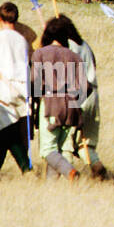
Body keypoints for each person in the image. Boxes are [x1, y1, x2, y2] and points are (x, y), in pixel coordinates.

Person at [30, 16, 85, 180]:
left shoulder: (40, 53)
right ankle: (51, 189)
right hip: (73, 106)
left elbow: (34, 82)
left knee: (47, 150)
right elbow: (85, 87)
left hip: (51, 104)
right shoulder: (75, 56)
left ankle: (70, 172)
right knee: (58, 150)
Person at [51, 16, 105, 178]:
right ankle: (97, 165)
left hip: (75, 95)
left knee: (66, 143)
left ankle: (69, 179)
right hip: (92, 96)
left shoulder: (67, 47)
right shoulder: (85, 45)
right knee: (85, 143)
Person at [0, 2, 31, 173]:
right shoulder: (23, 40)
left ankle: (27, 168)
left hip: (3, 89)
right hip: (22, 89)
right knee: (2, 134)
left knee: (6, 131)